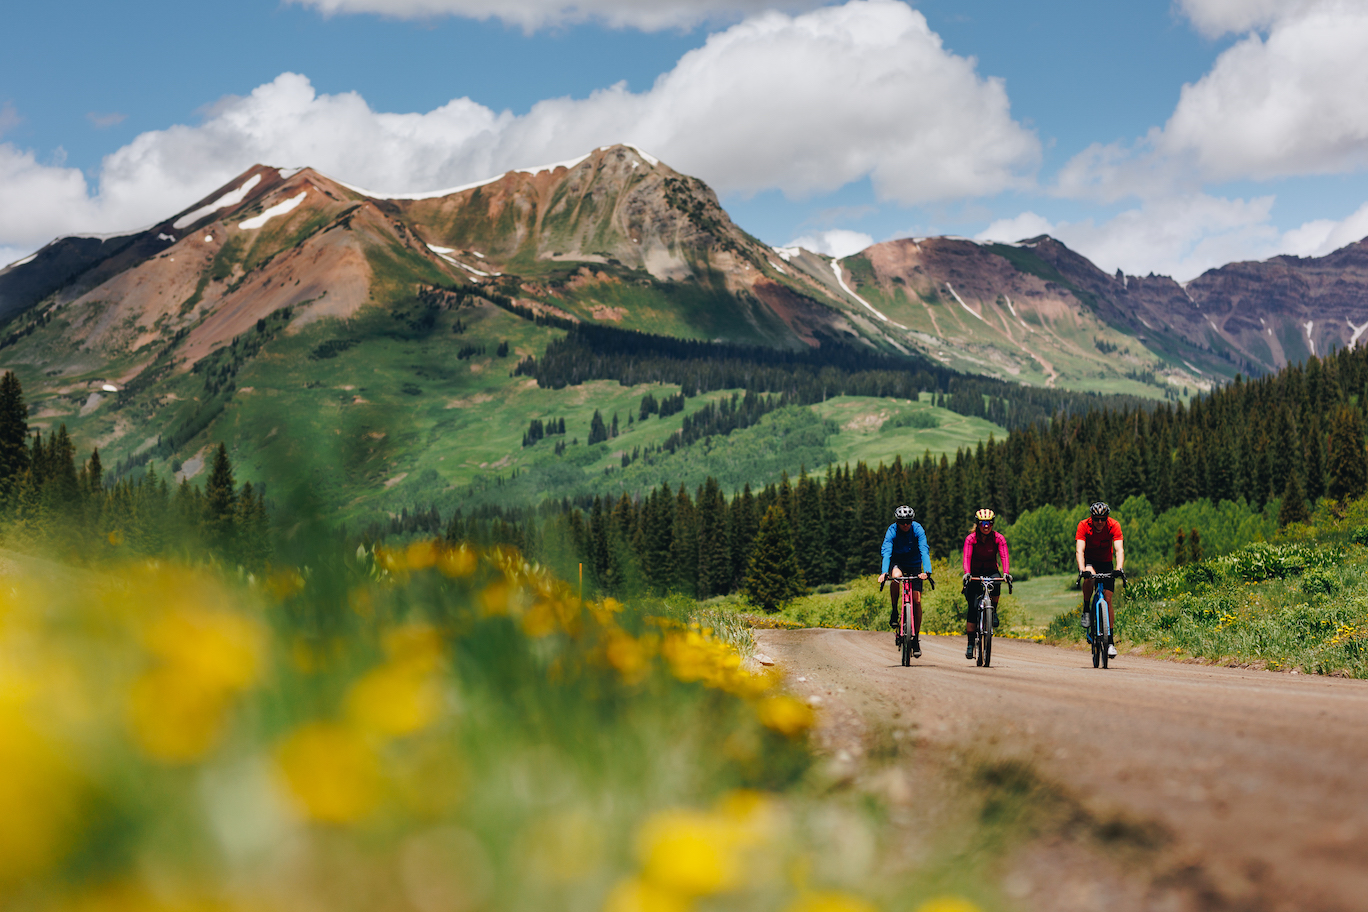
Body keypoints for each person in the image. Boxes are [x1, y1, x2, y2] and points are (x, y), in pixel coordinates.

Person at [878, 505, 931, 659]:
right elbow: (886, 550)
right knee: (896, 577)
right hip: (898, 562)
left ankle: (915, 639)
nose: (906, 525)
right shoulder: (892, 531)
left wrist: (927, 571)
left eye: (908, 521)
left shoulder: (918, 529)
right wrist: (884, 572)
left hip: (914, 564)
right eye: (902, 522)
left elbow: (924, 549)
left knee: (917, 601)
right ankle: (895, 610)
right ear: (897, 521)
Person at [1077, 501, 1125, 659]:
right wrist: (1082, 569)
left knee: (1109, 599)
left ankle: (1110, 642)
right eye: (1096, 519)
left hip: (1106, 563)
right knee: (1089, 577)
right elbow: (1080, 550)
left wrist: (1119, 568)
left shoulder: (1114, 525)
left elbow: (1119, 549)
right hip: (1090, 561)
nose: (1099, 522)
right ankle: (1086, 608)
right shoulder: (1084, 525)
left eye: (1102, 519)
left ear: (1107, 518)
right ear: (1091, 517)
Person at [961, 508, 1009, 660]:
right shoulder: (971, 539)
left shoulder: (998, 538)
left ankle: (993, 611)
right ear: (978, 524)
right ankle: (970, 644)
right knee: (973, 607)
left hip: (991, 570)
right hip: (974, 574)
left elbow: (1004, 555)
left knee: (997, 582)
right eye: (983, 523)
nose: (986, 526)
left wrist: (1006, 572)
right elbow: (967, 556)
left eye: (989, 523)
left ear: (992, 524)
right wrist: (967, 572)